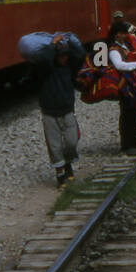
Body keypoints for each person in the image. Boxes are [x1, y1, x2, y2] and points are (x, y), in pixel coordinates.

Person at [26, 32, 87, 186]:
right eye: (61, 55)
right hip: (49, 112)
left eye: (66, 55)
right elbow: (42, 60)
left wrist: (68, 41)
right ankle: (60, 174)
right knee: (54, 146)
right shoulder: (44, 69)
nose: (64, 58)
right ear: (54, 55)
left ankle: (68, 163)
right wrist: (53, 44)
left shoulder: (69, 67)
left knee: (72, 142)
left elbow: (80, 55)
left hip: (67, 110)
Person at [106, 20, 136, 153]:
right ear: (117, 35)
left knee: (134, 112)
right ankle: (127, 144)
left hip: (131, 84)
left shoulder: (124, 46)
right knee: (127, 113)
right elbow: (119, 65)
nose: (125, 35)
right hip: (124, 86)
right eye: (123, 33)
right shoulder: (113, 50)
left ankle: (134, 140)